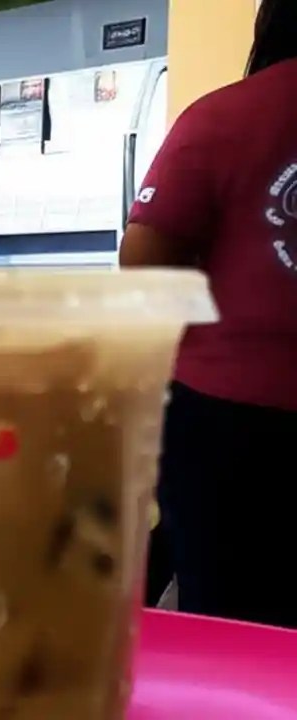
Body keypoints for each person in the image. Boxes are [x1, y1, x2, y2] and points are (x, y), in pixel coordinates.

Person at [121, 0, 297, 628]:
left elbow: (144, 262)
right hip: (230, 418)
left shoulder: (228, 116)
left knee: (232, 618)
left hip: (227, 419)